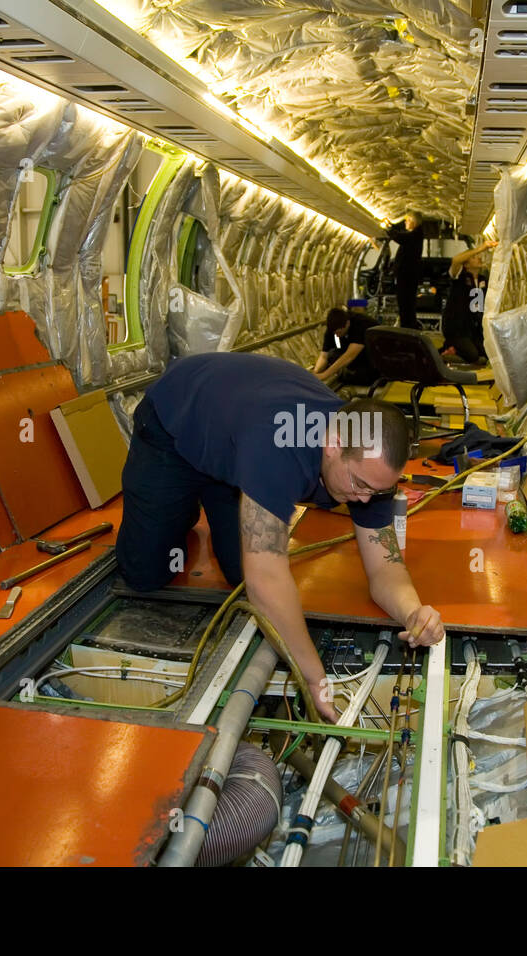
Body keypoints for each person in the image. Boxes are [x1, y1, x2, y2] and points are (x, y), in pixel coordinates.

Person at [115, 352, 447, 720]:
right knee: (146, 572)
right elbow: (266, 581)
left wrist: (414, 612)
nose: (366, 500)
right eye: (361, 485)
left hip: (236, 445)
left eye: (378, 492)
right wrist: (314, 677)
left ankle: (210, 488)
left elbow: (385, 567)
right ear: (333, 445)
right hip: (175, 424)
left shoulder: (366, 465)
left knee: (238, 574)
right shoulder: (279, 447)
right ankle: (182, 504)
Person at [441, 238, 497, 365]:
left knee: (488, 353)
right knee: (472, 356)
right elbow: (456, 260)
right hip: (457, 329)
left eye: (478, 256)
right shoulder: (460, 277)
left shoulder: (483, 280)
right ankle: (448, 349)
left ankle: (458, 348)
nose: (479, 258)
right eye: (474, 257)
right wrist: (481, 247)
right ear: (466, 265)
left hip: (472, 329)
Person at [377, 211, 425, 330]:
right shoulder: (415, 235)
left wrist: (388, 229)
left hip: (407, 277)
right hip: (407, 276)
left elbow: (400, 237)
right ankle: (407, 326)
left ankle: (408, 328)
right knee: (405, 305)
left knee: (406, 305)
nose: (405, 222)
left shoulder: (416, 235)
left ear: (413, 222)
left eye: (407, 220)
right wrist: (391, 226)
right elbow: (402, 235)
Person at [313, 307, 379, 386]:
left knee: (363, 376)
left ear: (347, 323)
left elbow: (349, 356)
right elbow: (324, 356)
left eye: (339, 332)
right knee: (332, 355)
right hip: (357, 356)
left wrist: (324, 375)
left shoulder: (360, 325)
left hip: (375, 358)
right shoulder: (332, 329)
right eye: (335, 333)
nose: (337, 335)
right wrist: (315, 374)